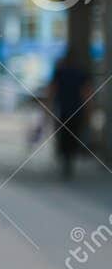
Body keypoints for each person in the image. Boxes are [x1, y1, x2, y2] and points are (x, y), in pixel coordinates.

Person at [46, 52, 91, 180]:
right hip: (77, 111)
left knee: (63, 135)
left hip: (63, 111)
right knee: (73, 135)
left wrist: (47, 108)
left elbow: (52, 90)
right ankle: (69, 158)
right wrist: (89, 111)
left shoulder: (59, 73)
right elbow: (87, 93)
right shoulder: (81, 73)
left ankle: (64, 156)